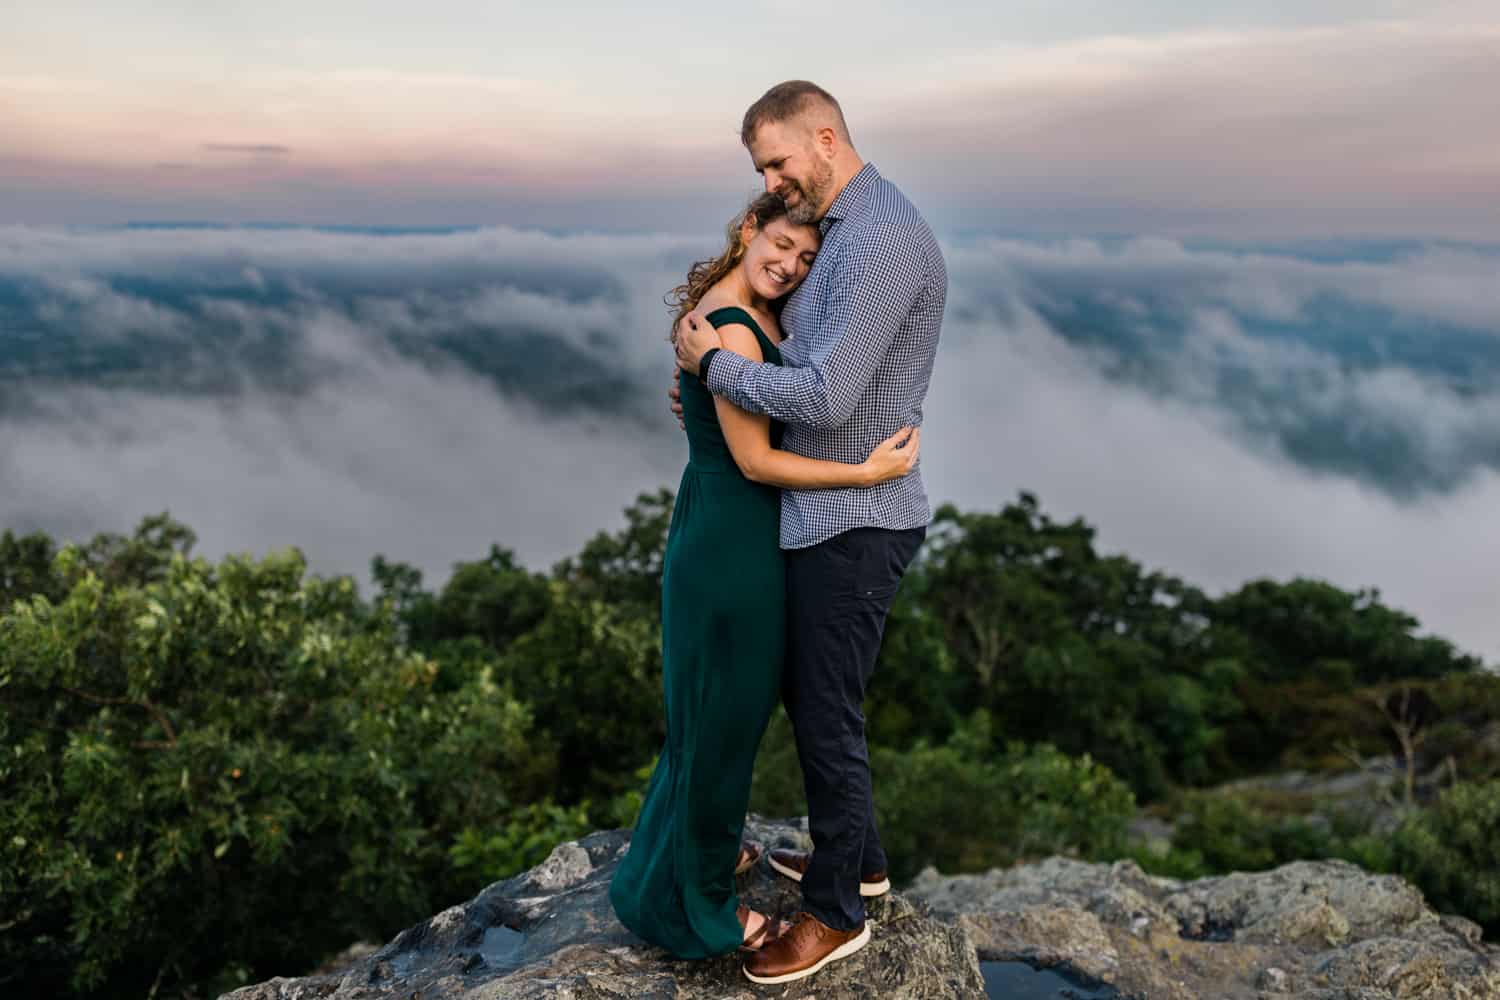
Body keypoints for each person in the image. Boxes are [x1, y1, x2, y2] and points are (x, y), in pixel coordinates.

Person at [671, 80, 947, 985]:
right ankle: (857, 863)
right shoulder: (848, 231)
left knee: (828, 712)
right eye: (763, 172)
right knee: (810, 691)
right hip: (828, 509)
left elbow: (824, 395)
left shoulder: (877, 239)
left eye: (779, 162)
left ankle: (837, 913)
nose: (774, 181)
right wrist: (727, 384)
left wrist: (716, 364)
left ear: (824, 139)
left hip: (857, 516)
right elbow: (800, 354)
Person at [608, 190, 922, 961]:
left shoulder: (742, 317)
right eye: (779, 245)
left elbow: (754, 405)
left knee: (717, 713)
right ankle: (700, 901)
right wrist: (865, 473)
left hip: (732, 528)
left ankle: (696, 855)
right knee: (722, 722)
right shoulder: (731, 329)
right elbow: (755, 459)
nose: (789, 265)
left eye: (807, 258)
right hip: (733, 543)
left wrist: (707, 394)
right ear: (749, 229)